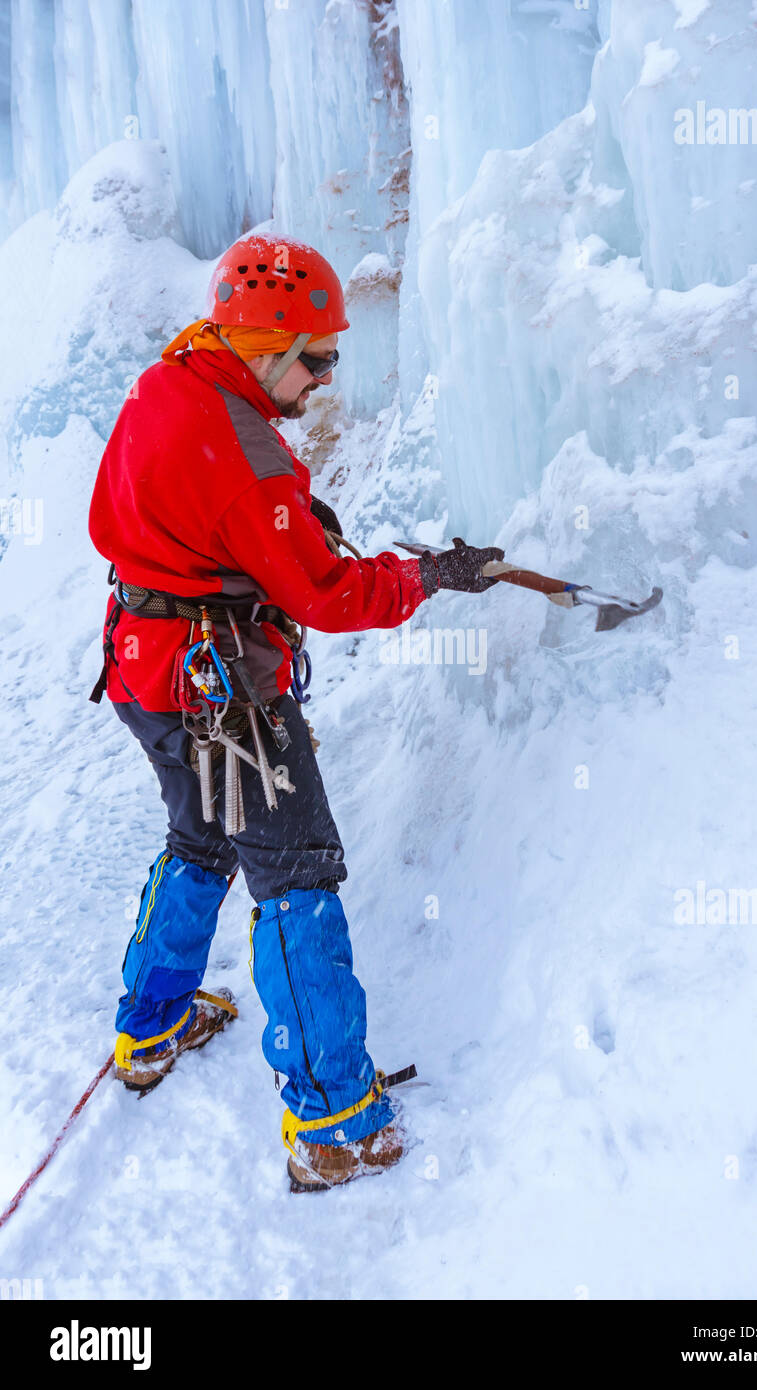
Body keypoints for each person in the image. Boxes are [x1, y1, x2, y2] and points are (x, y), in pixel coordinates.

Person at [87, 231, 503, 1192]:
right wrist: (426, 575)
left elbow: (154, 509)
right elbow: (328, 596)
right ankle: (335, 1122)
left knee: (199, 840)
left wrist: (240, 548)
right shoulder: (250, 459)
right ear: (266, 343)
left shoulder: (169, 381)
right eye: (316, 359)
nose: (324, 378)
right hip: (224, 699)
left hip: (143, 668)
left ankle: (148, 1028)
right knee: (294, 876)